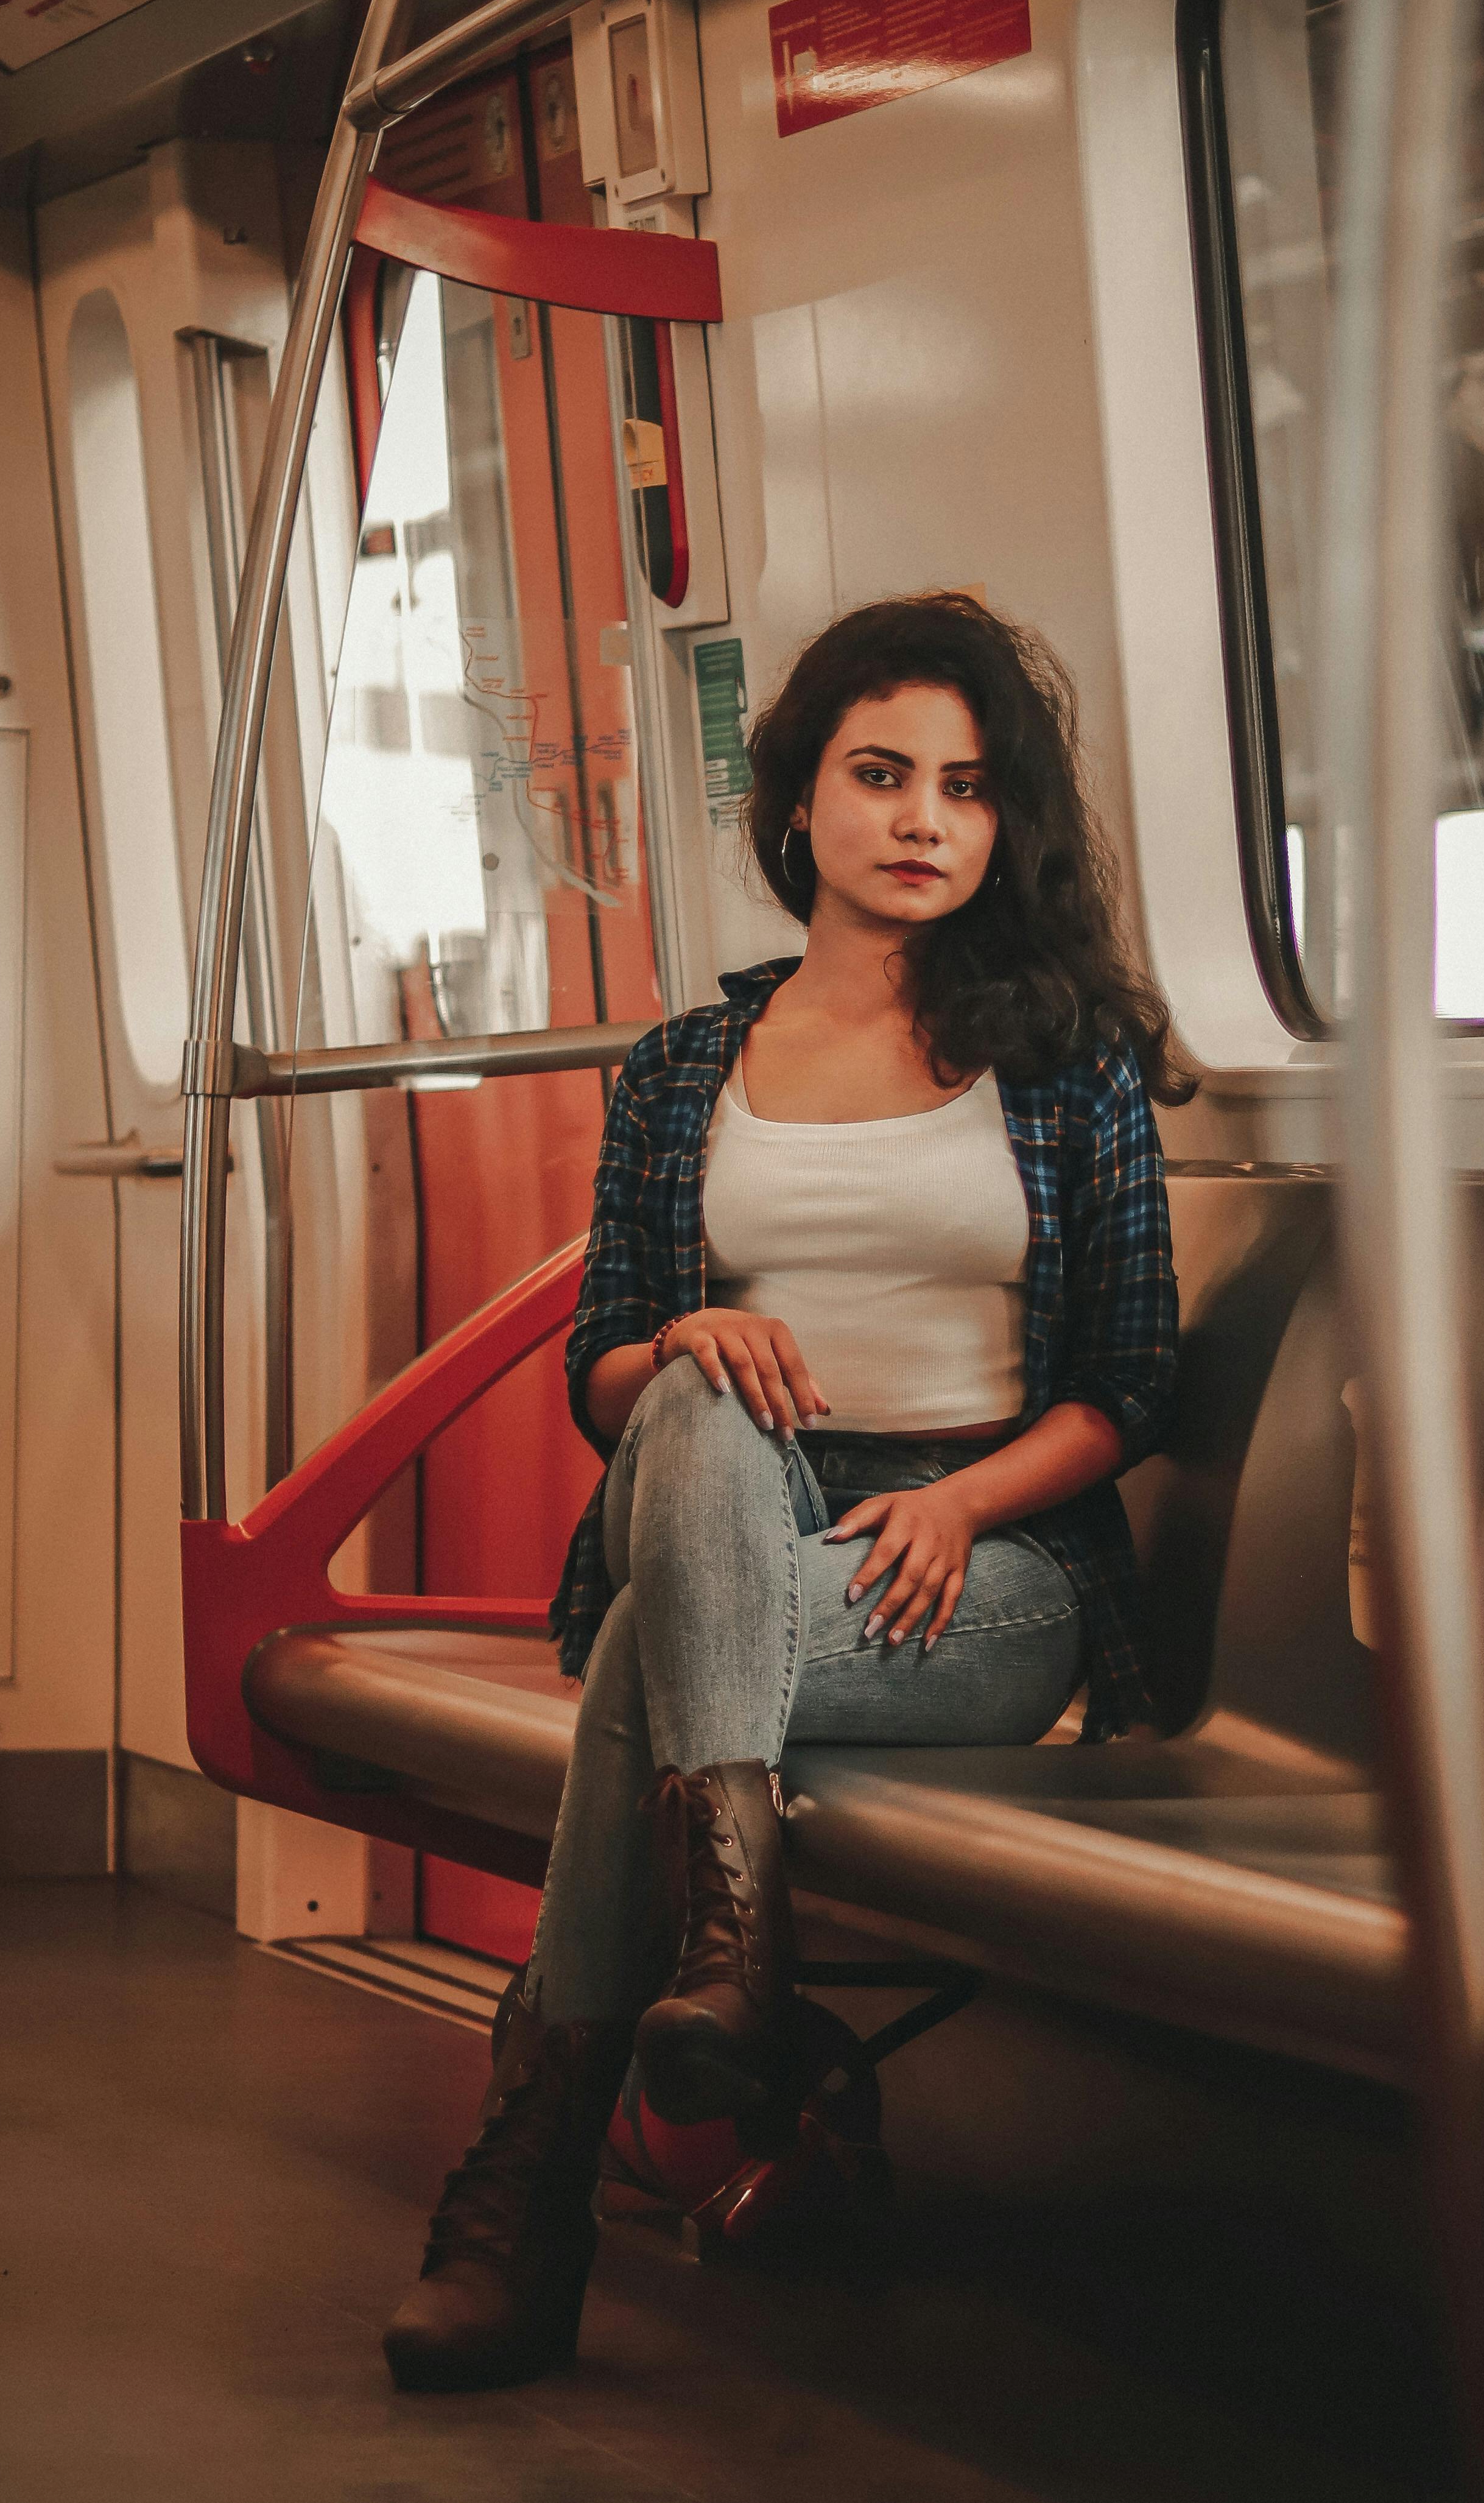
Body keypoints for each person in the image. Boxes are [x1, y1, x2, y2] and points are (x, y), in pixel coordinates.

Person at [383, 591, 1195, 2392]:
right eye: (882, 774)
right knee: (689, 1390)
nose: (923, 820)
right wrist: (684, 1332)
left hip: (981, 1567)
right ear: (799, 804)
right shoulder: (686, 1066)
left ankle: (524, 2209)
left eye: (967, 789)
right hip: (722, 1509)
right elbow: (599, 1364)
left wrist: (970, 1500)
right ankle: (732, 1956)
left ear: (1006, 825)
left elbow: (1131, 1382)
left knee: (637, 1682)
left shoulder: (1064, 1057)